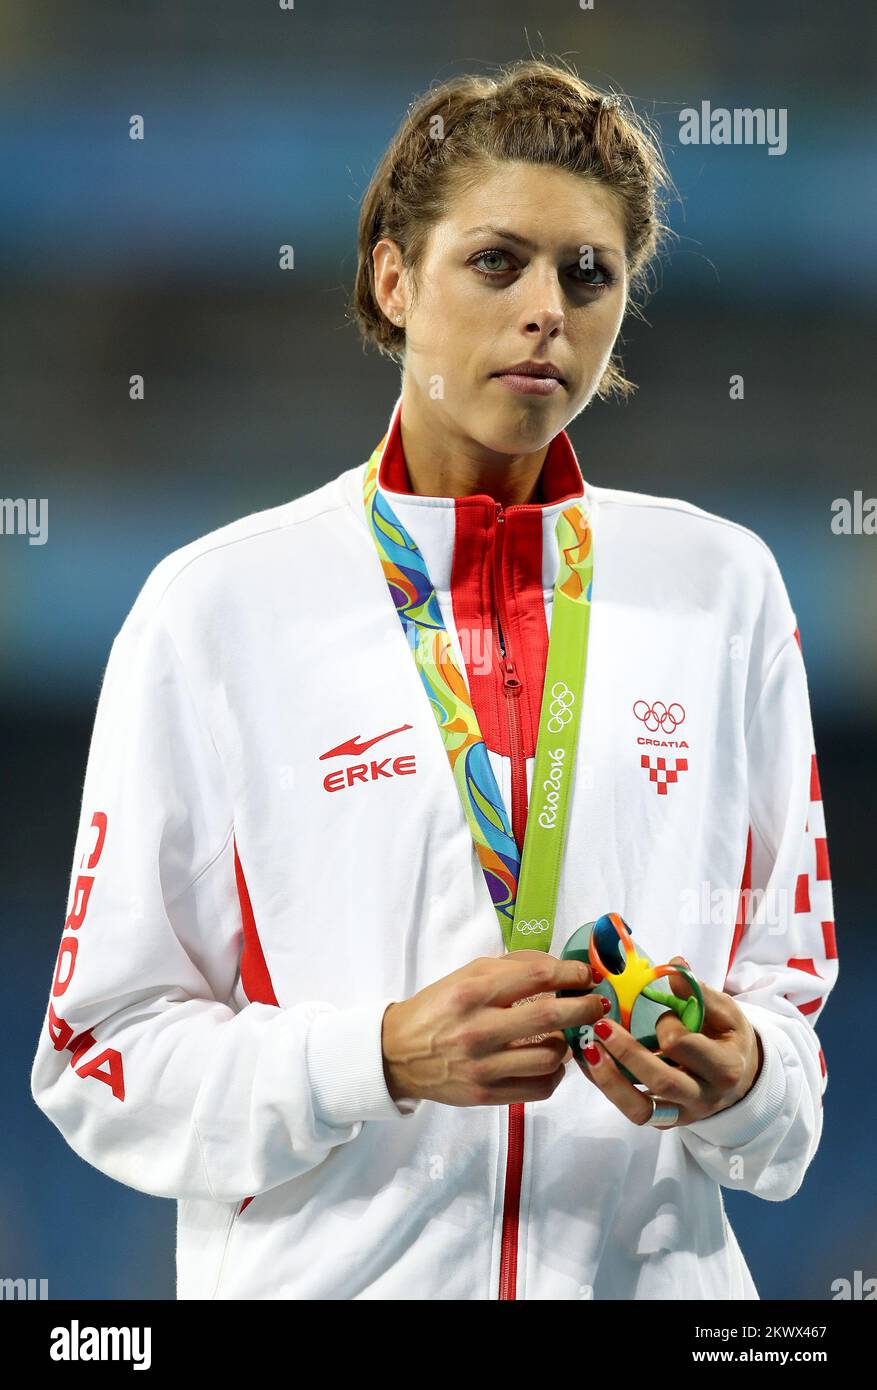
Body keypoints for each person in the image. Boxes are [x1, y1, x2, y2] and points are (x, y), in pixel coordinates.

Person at [31, 59, 837, 1301]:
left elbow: (790, 1034)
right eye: (496, 261)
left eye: (589, 273)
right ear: (393, 279)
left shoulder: (722, 590)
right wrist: (380, 1057)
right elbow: (99, 1057)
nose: (546, 311)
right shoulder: (220, 608)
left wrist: (749, 1081)